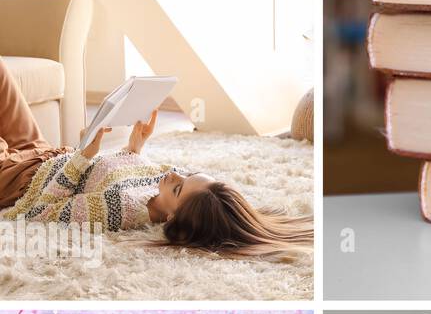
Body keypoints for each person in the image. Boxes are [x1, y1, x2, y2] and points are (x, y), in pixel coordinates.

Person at [0, 57, 311, 257]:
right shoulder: (162, 184)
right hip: (44, 153)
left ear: (173, 217)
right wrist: (135, 147)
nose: (174, 176)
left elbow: (39, 213)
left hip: (14, 180)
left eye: (178, 188)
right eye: (187, 176)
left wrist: (84, 156)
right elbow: (110, 177)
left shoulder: (118, 209)